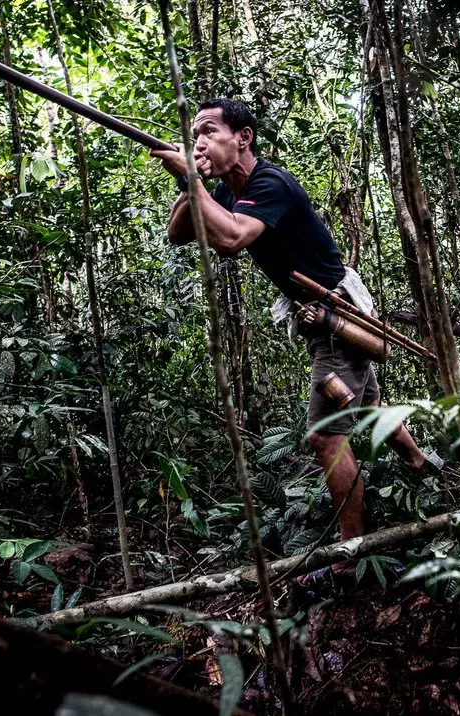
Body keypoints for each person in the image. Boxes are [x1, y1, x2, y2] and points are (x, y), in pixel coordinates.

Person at [152, 98, 435, 547]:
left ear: (243, 137)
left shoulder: (270, 182)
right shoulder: (225, 190)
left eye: (209, 131)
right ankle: (422, 464)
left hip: (338, 314)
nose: (199, 141)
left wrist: (190, 177)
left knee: (326, 438)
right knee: (360, 407)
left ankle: (352, 548)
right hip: (317, 316)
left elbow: (230, 238)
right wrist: (193, 184)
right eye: (195, 136)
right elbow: (179, 233)